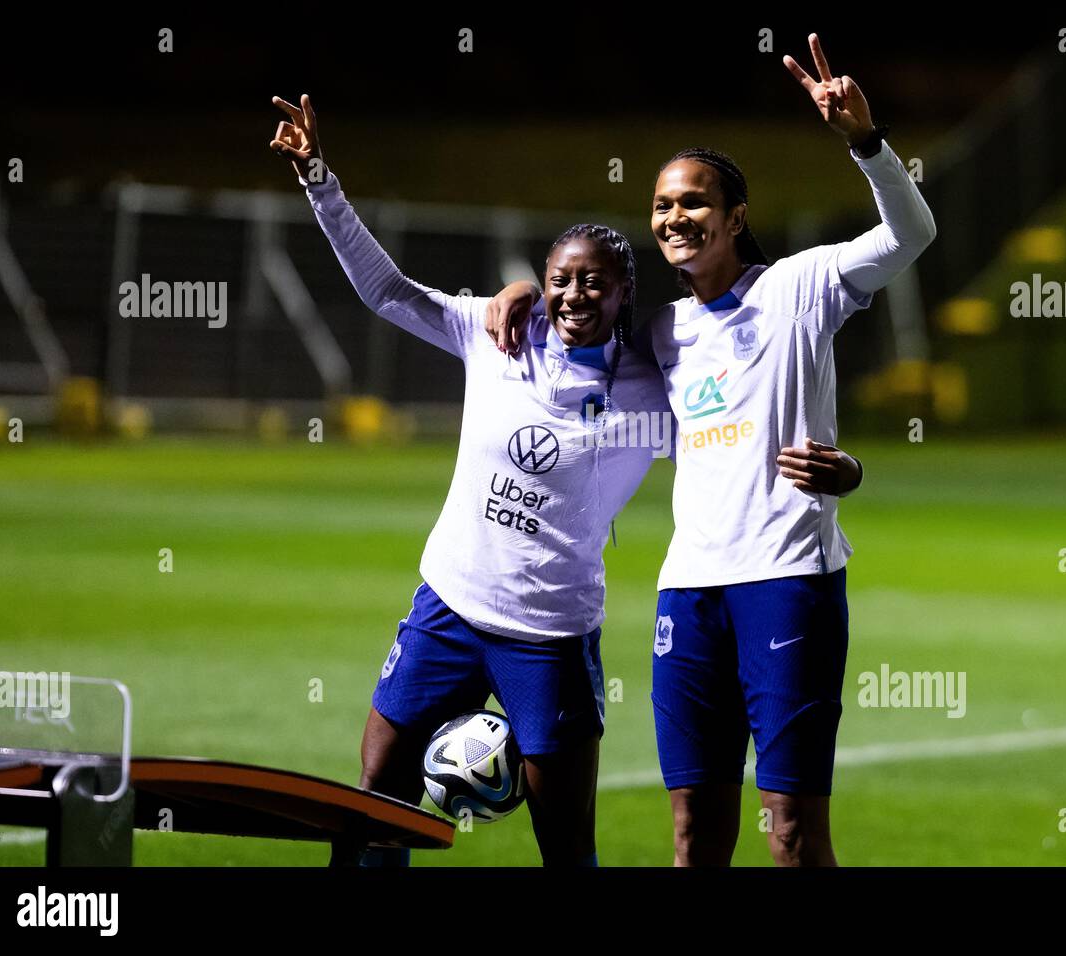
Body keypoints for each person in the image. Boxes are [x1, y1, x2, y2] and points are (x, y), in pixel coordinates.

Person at [484, 33, 936, 866]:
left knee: (791, 834)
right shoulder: (662, 331)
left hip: (788, 583)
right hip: (687, 594)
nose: (674, 217)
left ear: (736, 218)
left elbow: (911, 234)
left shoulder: (801, 286)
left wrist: (866, 143)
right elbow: (576, 320)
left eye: (693, 202)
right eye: (662, 205)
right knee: (693, 836)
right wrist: (521, 293)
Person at [269, 93, 671, 866]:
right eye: (560, 279)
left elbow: (724, 442)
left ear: (625, 294)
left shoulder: (651, 395)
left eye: (595, 283)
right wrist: (320, 179)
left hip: (549, 636)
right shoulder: (496, 334)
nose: (575, 295)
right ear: (542, 283)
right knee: (375, 800)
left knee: (565, 843)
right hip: (448, 609)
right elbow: (388, 291)